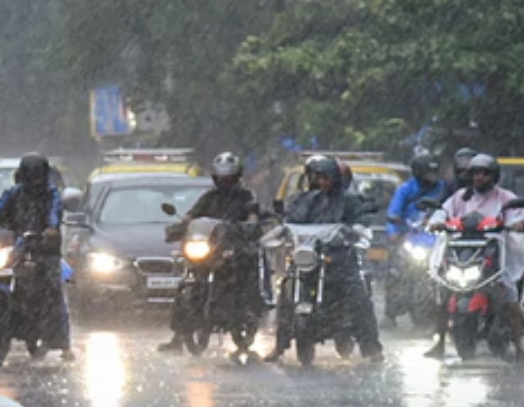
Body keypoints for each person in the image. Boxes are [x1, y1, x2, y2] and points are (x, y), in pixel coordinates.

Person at [264, 156, 385, 363]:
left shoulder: (349, 200)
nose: (321, 182)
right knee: (286, 292)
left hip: (340, 260)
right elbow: (292, 219)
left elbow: (360, 221)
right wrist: (283, 230)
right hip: (308, 258)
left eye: (325, 177)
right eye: (316, 177)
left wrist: (354, 231)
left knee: (359, 296)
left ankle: (371, 347)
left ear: (335, 177)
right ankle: (279, 345)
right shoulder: (306, 200)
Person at [425, 154, 524, 360]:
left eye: (485, 173)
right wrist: (436, 222)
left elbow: (518, 216)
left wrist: (517, 224)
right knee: (442, 291)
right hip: (462, 252)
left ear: (494, 176)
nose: (479, 177)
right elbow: (443, 212)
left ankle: (519, 346)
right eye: (476, 173)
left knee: (509, 292)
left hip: (493, 254)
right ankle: (439, 342)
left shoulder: (505, 198)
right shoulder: (460, 197)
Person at [158, 152, 263, 353]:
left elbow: (253, 218)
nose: (224, 181)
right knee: (185, 283)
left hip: (233, 248)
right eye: (220, 177)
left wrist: (247, 227)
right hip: (209, 250)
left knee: (244, 270)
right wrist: (179, 227)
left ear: (236, 176)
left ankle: (245, 314)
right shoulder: (209, 197)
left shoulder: (247, 196)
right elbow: (192, 216)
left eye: (228, 177)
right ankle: (178, 336)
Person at [0, 153, 74, 361]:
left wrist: (50, 230)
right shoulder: (14, 193)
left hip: (43, 249)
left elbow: (54, 214)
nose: (34, 179)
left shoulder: (51, 194)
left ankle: (63, 342)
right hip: (14, 247)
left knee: (52, 288)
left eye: (38, 175)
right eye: (31, 174)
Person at [383, 153, 447, 326]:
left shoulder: (443, 188)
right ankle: (390, 313)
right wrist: (393, 232)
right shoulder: (405, 189)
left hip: (437, 240)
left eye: (434, 172)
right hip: (410, 238)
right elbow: (393, 214)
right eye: (428, 172)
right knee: (397, 273)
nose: (432, 176)